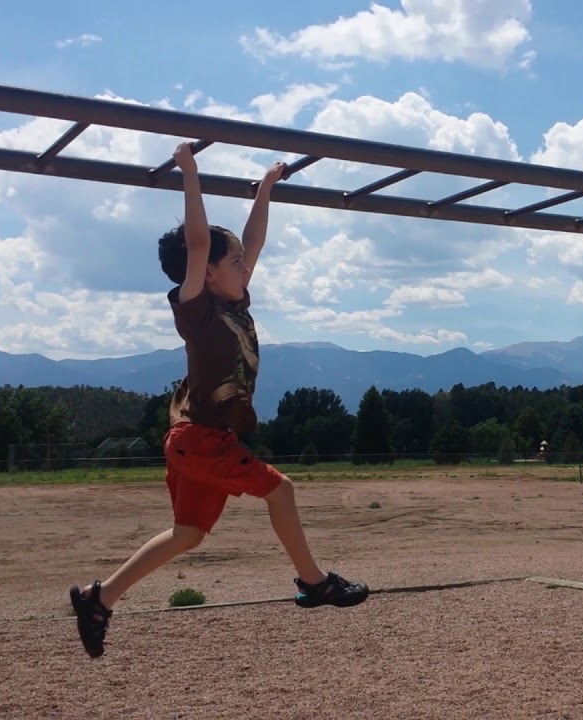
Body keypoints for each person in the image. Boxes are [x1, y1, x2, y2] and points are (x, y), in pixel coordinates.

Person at [69, 141, 369, 659]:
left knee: (187, 534)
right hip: (202, 440)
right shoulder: (197, 311)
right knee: (282, 491)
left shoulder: (234, 298)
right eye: (232, 262)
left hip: (197, 440)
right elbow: (198, 241)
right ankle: (314, 582)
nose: (244, 267)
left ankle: (100, 598)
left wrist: (266, 190)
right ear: (206, 269)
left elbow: (252, 242)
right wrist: (190, 172)